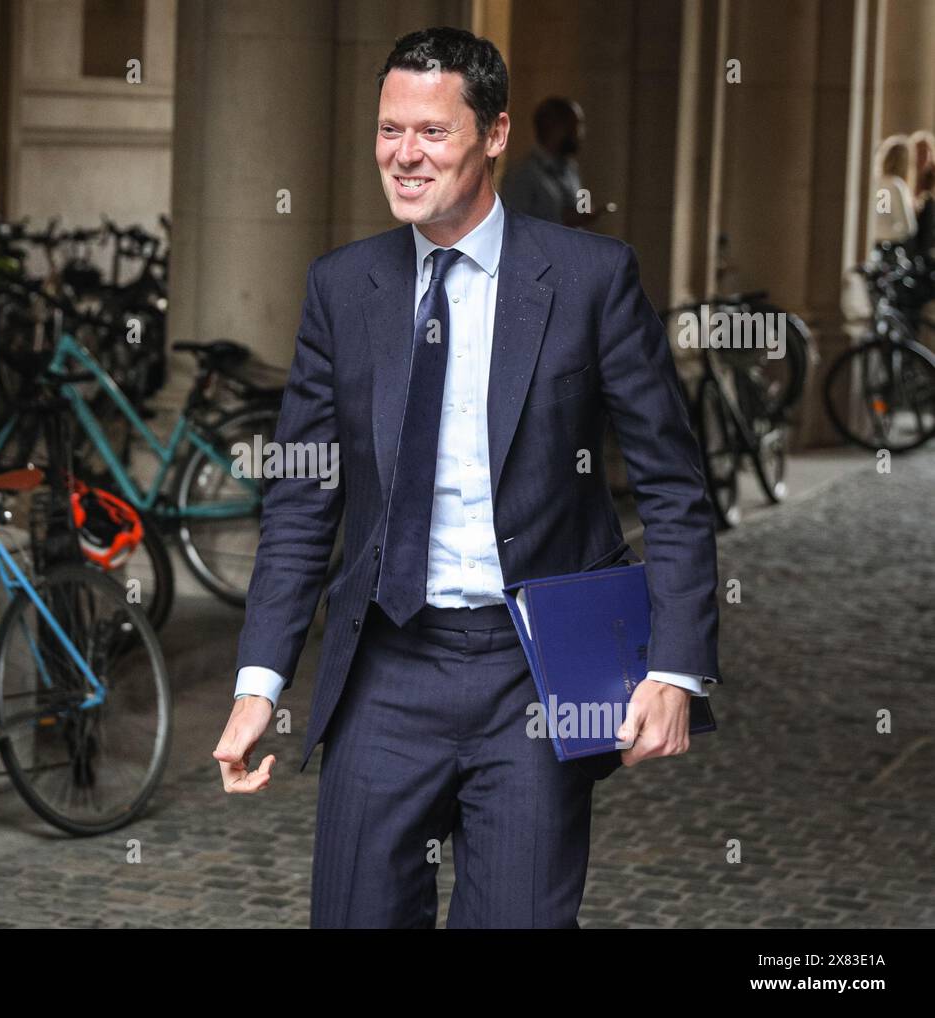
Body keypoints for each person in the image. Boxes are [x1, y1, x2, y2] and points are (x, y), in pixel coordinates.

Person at [212, 26, 721, 929]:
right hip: (385, 671)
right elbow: (302, 498)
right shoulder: (343, 287)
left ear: (492, 135)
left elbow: (675, 488)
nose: (403, 156)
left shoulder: (591, 280)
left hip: (532, 673)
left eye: (432, 132)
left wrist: (675, 667)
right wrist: (261, 682)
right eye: (388, 130)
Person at [501, 96, 601, 226]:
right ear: (551, 127)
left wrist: (585, 210)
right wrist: (561, 220)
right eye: (574, 126)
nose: (580, 133)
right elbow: (515, 226)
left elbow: (579, 202)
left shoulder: (571, 168)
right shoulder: (521, 175)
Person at [872, 133, 918, 244]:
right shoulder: (897, 185)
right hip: (888, 246)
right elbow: (909, 227)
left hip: (871, 242)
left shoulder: (874, 182)